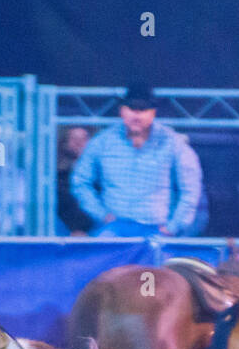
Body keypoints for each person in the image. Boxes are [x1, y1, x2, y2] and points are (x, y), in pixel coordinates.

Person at [70, 83, 203, 237]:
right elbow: (80, 181)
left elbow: (191, 189)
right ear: (122, 110)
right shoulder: (103, 141)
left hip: (157, 230)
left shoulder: (173, 143)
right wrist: (101, 215)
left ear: (153, 112)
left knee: (164, 259)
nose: (137, 114)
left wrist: (173, 227)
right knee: (100, 253)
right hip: (114, 227)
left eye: (144, 109)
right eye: (131, 108)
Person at [56, 126, 95, 235]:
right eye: (74, 139)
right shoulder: (59, 175)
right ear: (65, 142)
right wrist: (76, 228)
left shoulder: (101, 174)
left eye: (84, 138)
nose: (79, 143)